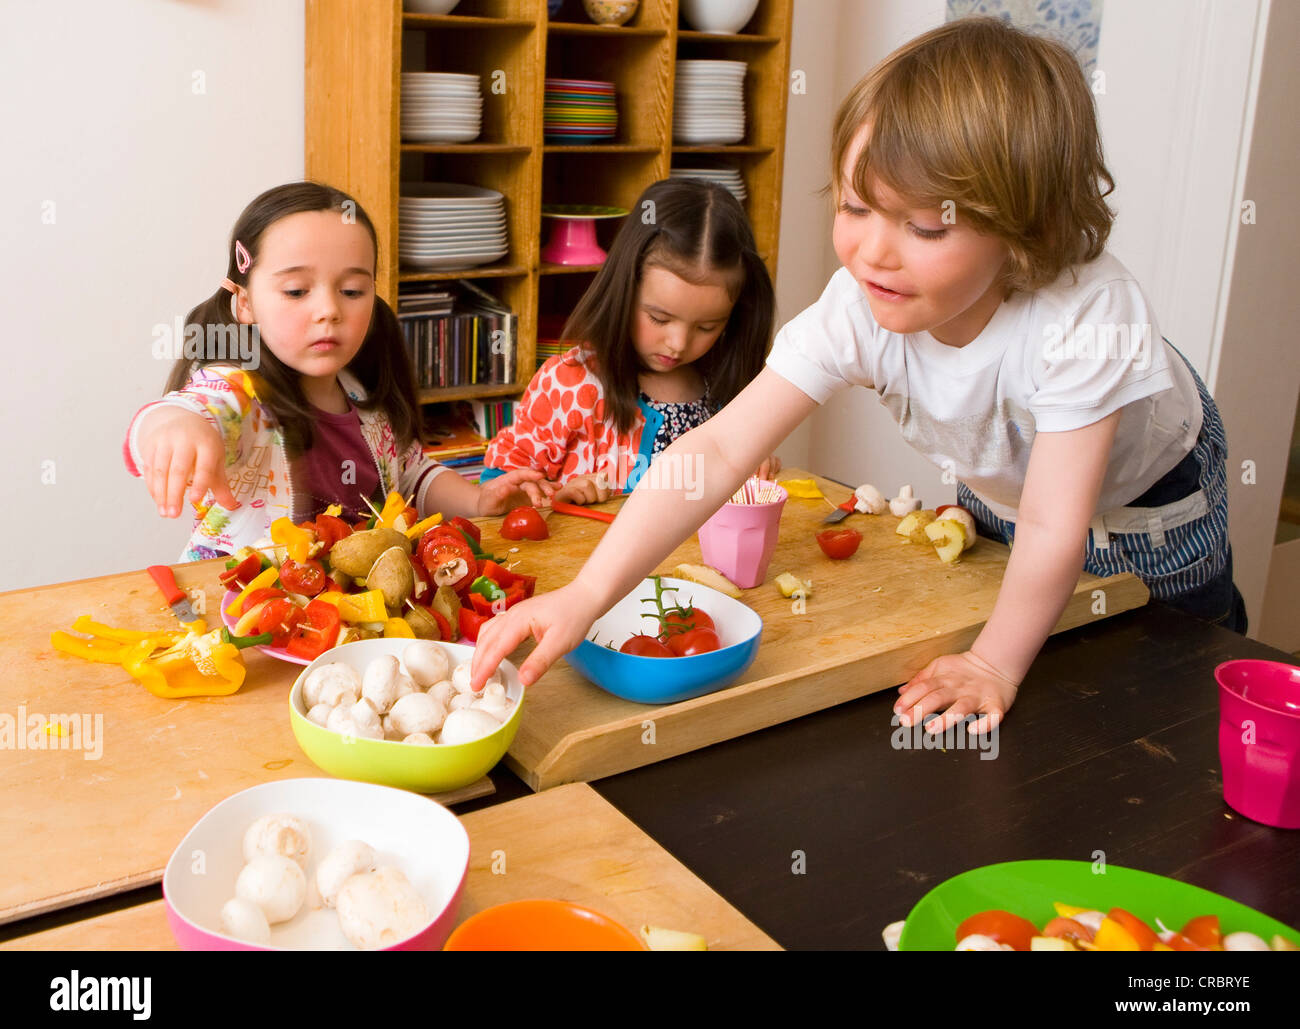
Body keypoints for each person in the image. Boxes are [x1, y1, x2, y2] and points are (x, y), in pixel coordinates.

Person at [469, 17, 1248, 734]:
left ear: (1025, 227)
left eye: (924, 225)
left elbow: (1056, 524)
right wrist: (584, 594)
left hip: (1150, 504)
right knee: (1058, 674)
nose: (874, 252)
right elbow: (713, 453)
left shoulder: (1088, 316)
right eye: (854, 206)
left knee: (1170, 679)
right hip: (1016, 482)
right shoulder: (863, 302)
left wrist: (991, 663)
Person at [124, 181, 553, 561]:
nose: (329, 310)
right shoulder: (238, 391)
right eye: (296, 291)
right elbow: (193, 407)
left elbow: (410, 474)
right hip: (245, 611)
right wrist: (174, 425)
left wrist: (479, 500)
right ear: (246, 303)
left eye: (352, 290)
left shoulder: (364, 395)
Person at [481, 178, 780, 506]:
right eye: (659, 319)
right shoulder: (570, 384)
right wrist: (555, 500)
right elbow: (499, 491)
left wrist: (755, 469)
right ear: (625, 290)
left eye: (707, 326)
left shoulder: (727, 393)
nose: (678, 343)